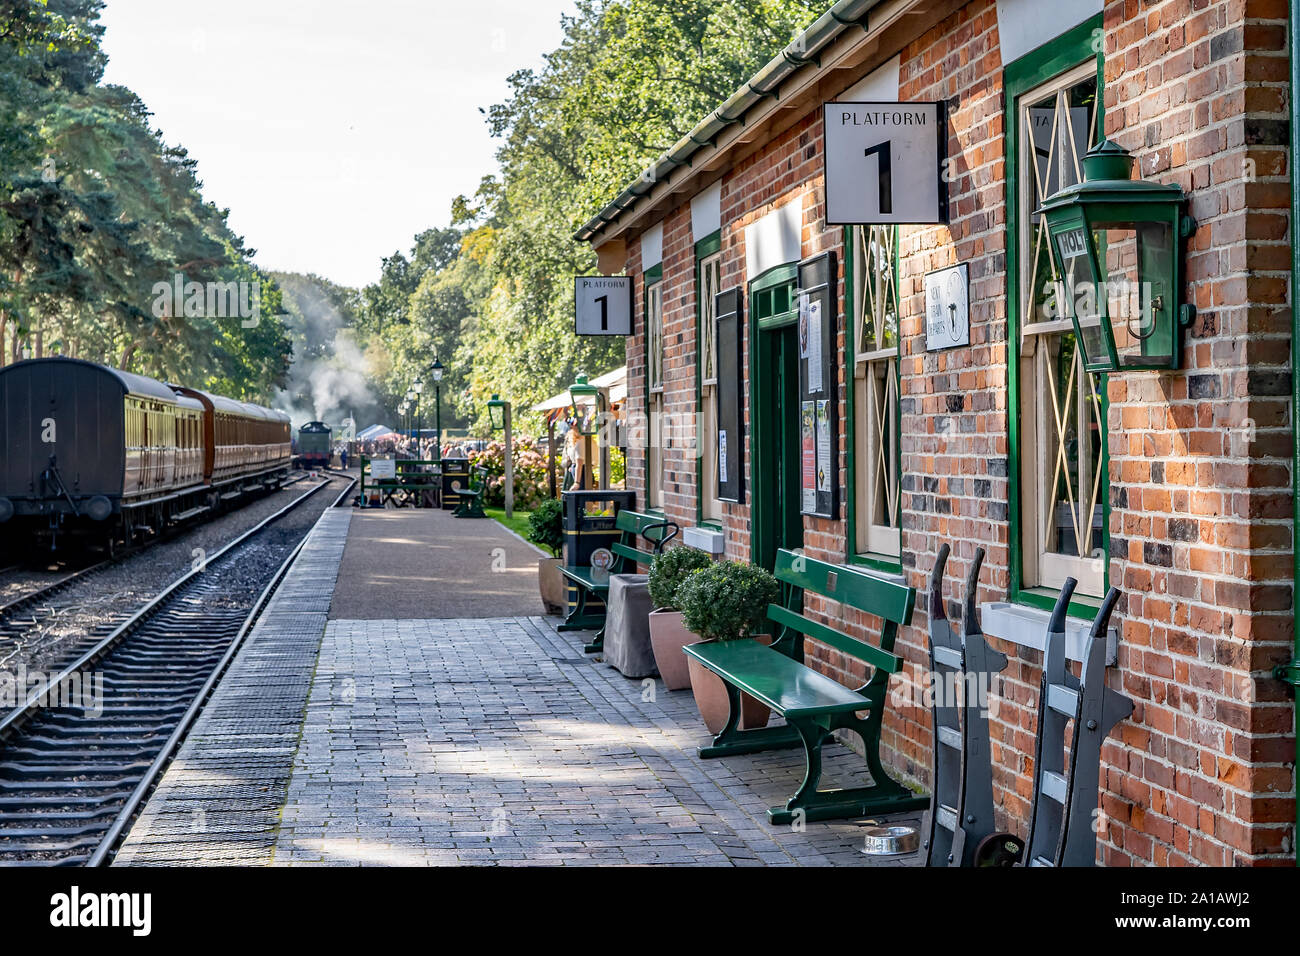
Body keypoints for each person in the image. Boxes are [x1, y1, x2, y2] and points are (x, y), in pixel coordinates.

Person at [562, 420, 585, 491]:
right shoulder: (575, 442)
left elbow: (579, 463)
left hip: (581, 474)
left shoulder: (580, 443)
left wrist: (576, 483)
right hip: (574, 471)